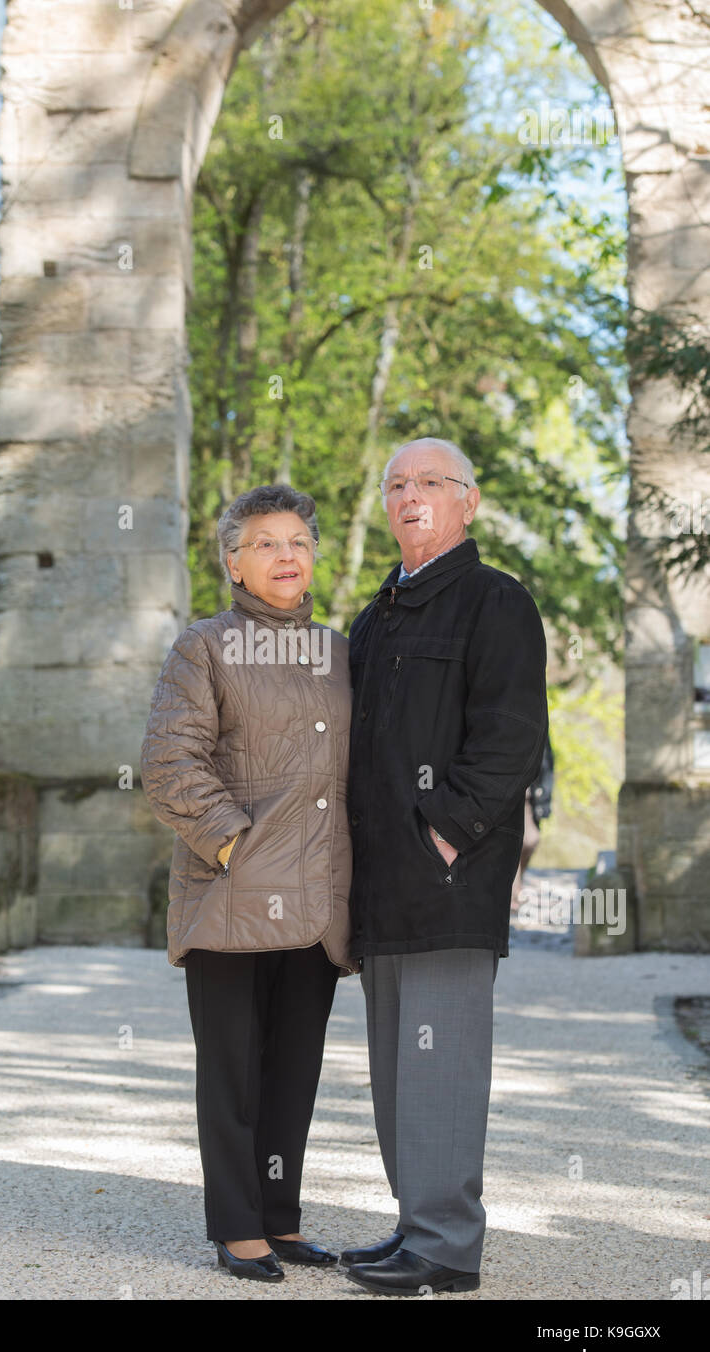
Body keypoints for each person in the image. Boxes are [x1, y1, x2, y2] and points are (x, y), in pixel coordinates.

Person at [341, 437, 548, 1295]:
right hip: (376, 884)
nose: (410, 495)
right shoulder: (375, 614)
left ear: (468, 502)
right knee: (396, 1069)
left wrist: (446, 835)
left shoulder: (495, 603)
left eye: (430, 482)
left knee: (441, 1065)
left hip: (448, 880)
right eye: (395, 484)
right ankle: (413, 1225)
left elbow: (509, 740)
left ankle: (446, 1247)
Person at [140, 484, 358, 1284]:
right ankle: (236, 1227)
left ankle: (279, 1217)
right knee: (231, 1071)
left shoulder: (340, 652)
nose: (286, 555)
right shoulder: (202, 648)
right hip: (230, 898)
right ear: (232, 560)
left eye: (298, 540)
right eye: (265, 542)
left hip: (315, 906)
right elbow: (169, 765)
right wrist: (236, 849)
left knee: (292, 1071)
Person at [511, 732, 554, 912]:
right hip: (504, 792)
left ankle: (515, 886)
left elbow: (547, 761)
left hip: (528, 795)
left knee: (530, 840)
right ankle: (513, 893)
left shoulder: (534, 718)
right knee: (512, 843)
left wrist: (544, 799)